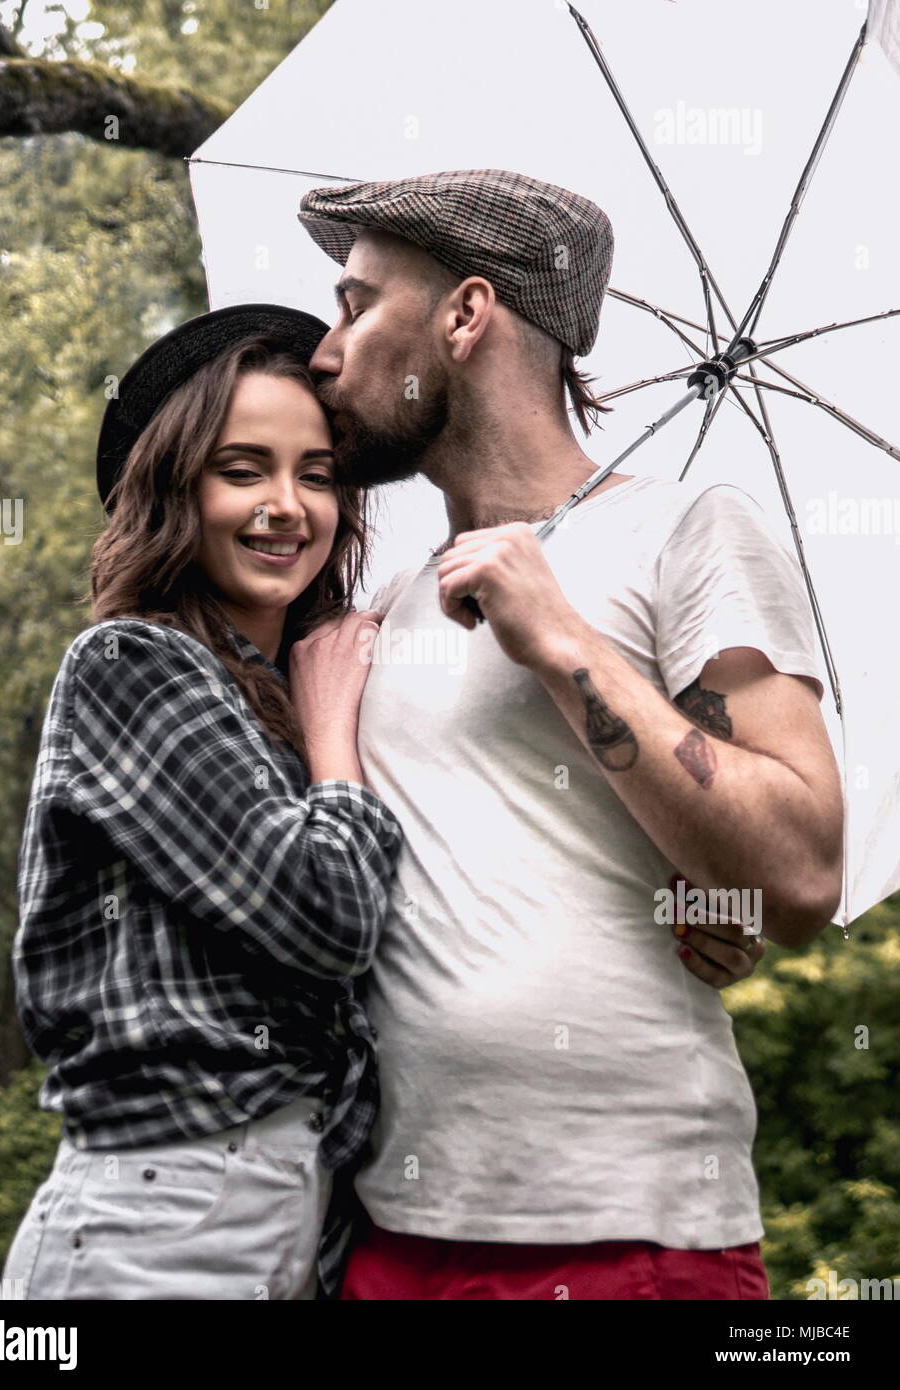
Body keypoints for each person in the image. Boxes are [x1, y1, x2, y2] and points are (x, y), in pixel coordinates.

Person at [296, 169, 845, 1300]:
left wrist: (563, 640)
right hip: (388, 1233)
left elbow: (794, 874)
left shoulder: (686, 529)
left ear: (464, 315)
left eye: (355, 305)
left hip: (629, 1235)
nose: (322, 348)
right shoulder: (374, 612)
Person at [1, 304, 402, 1300]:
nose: (287, 505)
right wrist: (335, 733)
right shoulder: (130, 665)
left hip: (292, 1219)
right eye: (242, 469)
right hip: (158, 1218)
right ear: (176, 488)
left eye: (315, 472)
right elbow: (325, 914)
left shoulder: (289, 696)